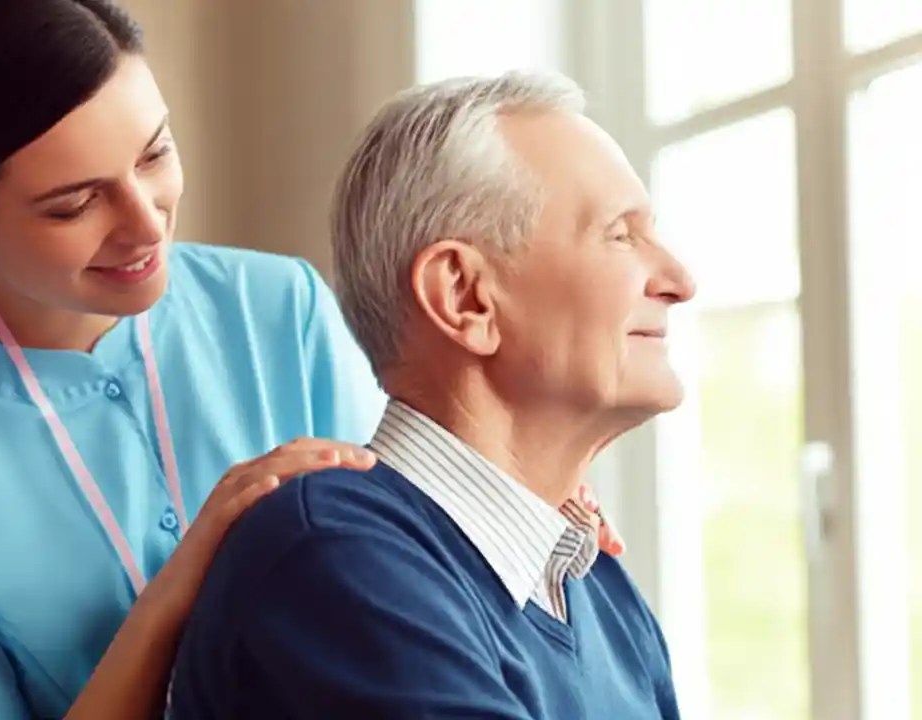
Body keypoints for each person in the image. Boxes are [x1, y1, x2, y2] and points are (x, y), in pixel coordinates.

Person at [0, 2, 623, 718]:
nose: (146, 223)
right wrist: (186, 580)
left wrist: (527, 500)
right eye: (75, 204)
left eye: (154, 154)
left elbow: (418, 569)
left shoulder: (278, 308)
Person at [168, 70, 694, 719]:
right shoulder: (334, 557)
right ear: (464, 297)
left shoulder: (605, 594)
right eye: (620, 235)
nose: (679, 280)